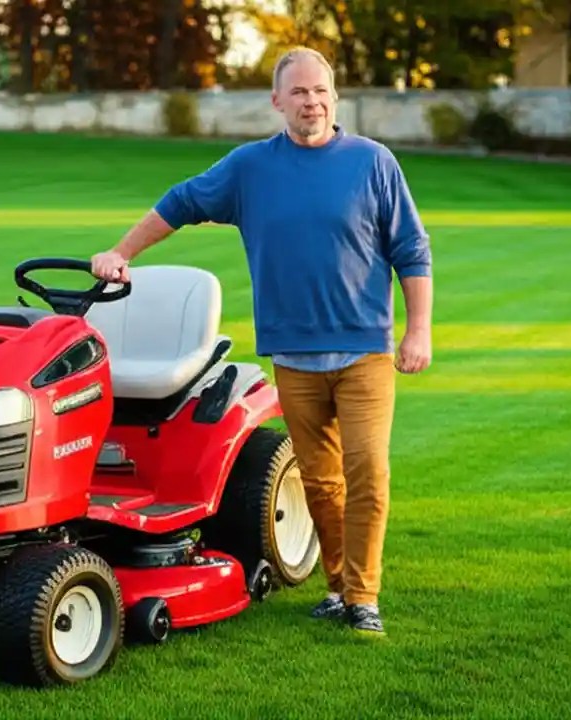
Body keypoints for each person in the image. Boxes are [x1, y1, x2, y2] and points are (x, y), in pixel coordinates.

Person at [90, 47, 433, 633]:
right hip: (295, 358)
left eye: (321, 90)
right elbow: (180, 203)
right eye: (299, 92)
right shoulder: (250, 168)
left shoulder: (373, 162)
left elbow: (411, 250)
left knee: (368, 475)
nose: (312, 101)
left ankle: (364, 598)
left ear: (335, 97)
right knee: (322, 482)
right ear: (277, 102)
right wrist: (121, 252)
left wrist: (417, 330)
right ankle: (337, 587)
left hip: (365, 353)